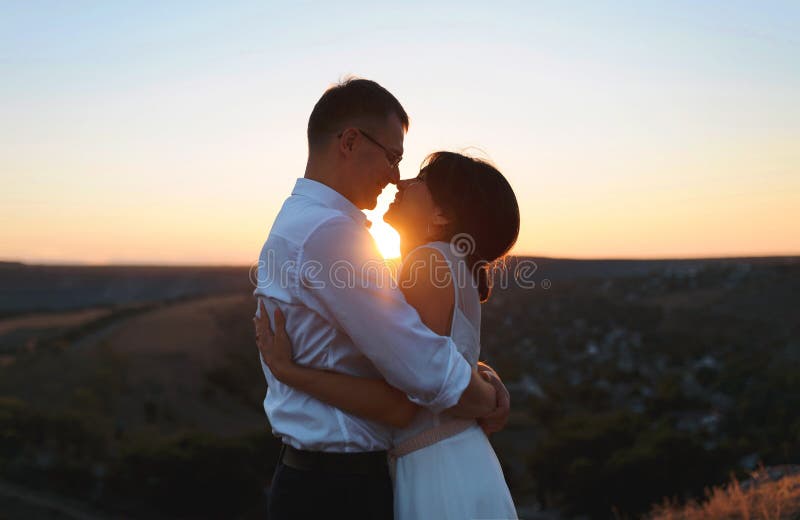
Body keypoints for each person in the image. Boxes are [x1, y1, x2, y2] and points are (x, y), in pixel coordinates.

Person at [252, 78, 509, 519]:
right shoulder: (329, 233)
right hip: (335, 491)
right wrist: (488, 398)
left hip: (333, 482)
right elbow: (422, 374)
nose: (395, 176)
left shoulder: (308, 222)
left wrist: (478, 372)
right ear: (350, 142)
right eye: (393, 157)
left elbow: (415, 349)